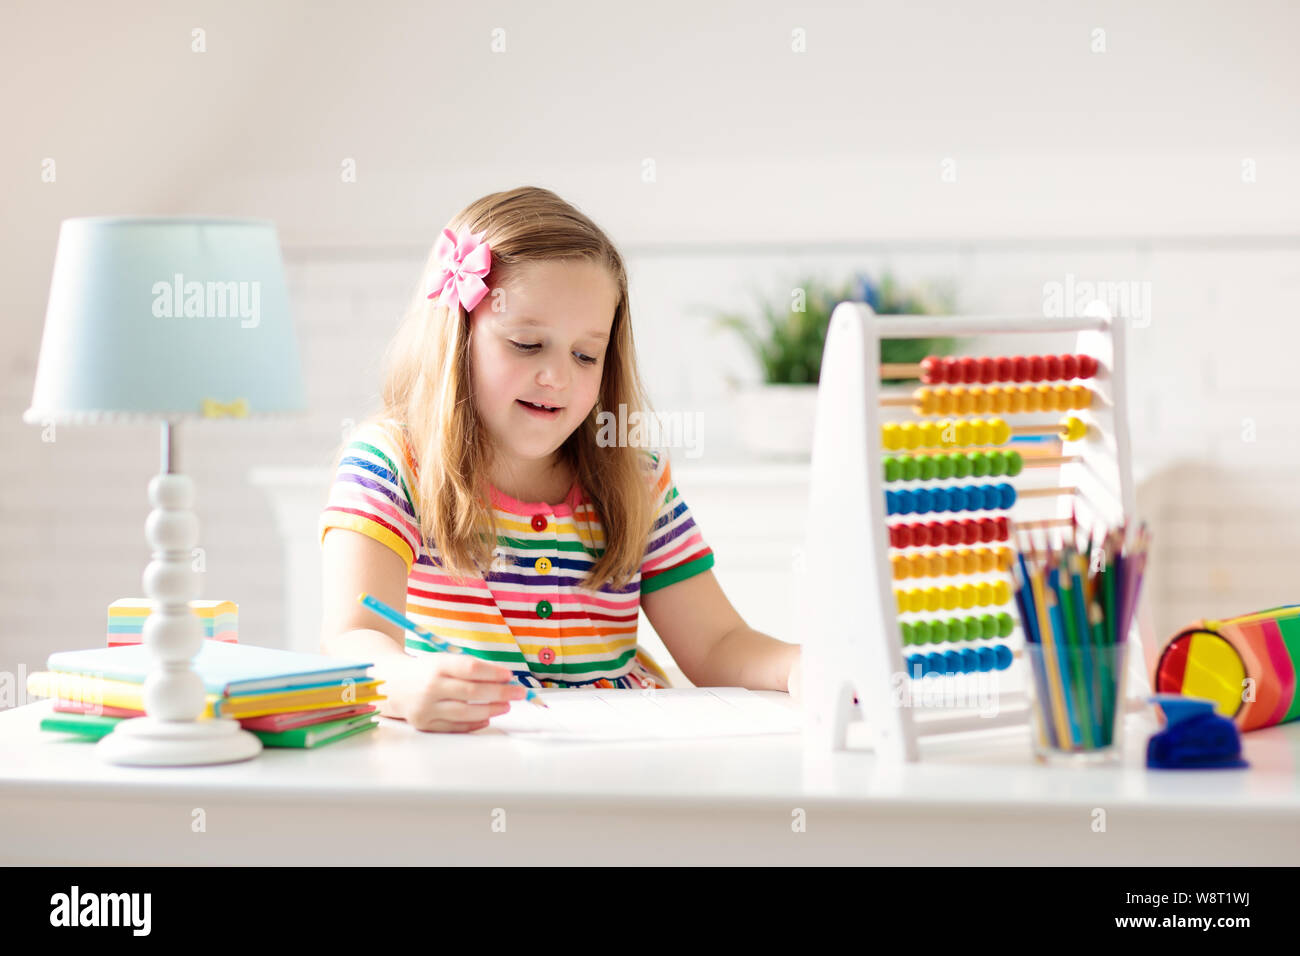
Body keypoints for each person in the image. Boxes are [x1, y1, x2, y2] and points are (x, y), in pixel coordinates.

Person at [319, 186, 801, 732]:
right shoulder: (392, 463)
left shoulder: (635, 475)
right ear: (456, 337)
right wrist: (402, 685)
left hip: (620, 760)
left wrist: (799, 666)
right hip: (470, 756)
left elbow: (716, 643)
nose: (558, 377)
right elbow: (352, 637)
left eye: (585, 354)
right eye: (527, 344)